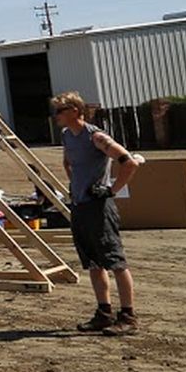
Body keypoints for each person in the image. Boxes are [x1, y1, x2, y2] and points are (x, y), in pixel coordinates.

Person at [52, 91, 143, 335]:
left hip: (99, 207)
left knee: (115, 261)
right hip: (80, 205)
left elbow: (129, 162)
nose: (56, 116)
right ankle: (103, 313)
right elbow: (67, 163)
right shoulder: (66, 136)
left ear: (74, 111)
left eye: (60, 111)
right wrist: (76, 187)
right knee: (93, 262)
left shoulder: (96, 137)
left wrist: (111, 190)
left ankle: (128, 316)